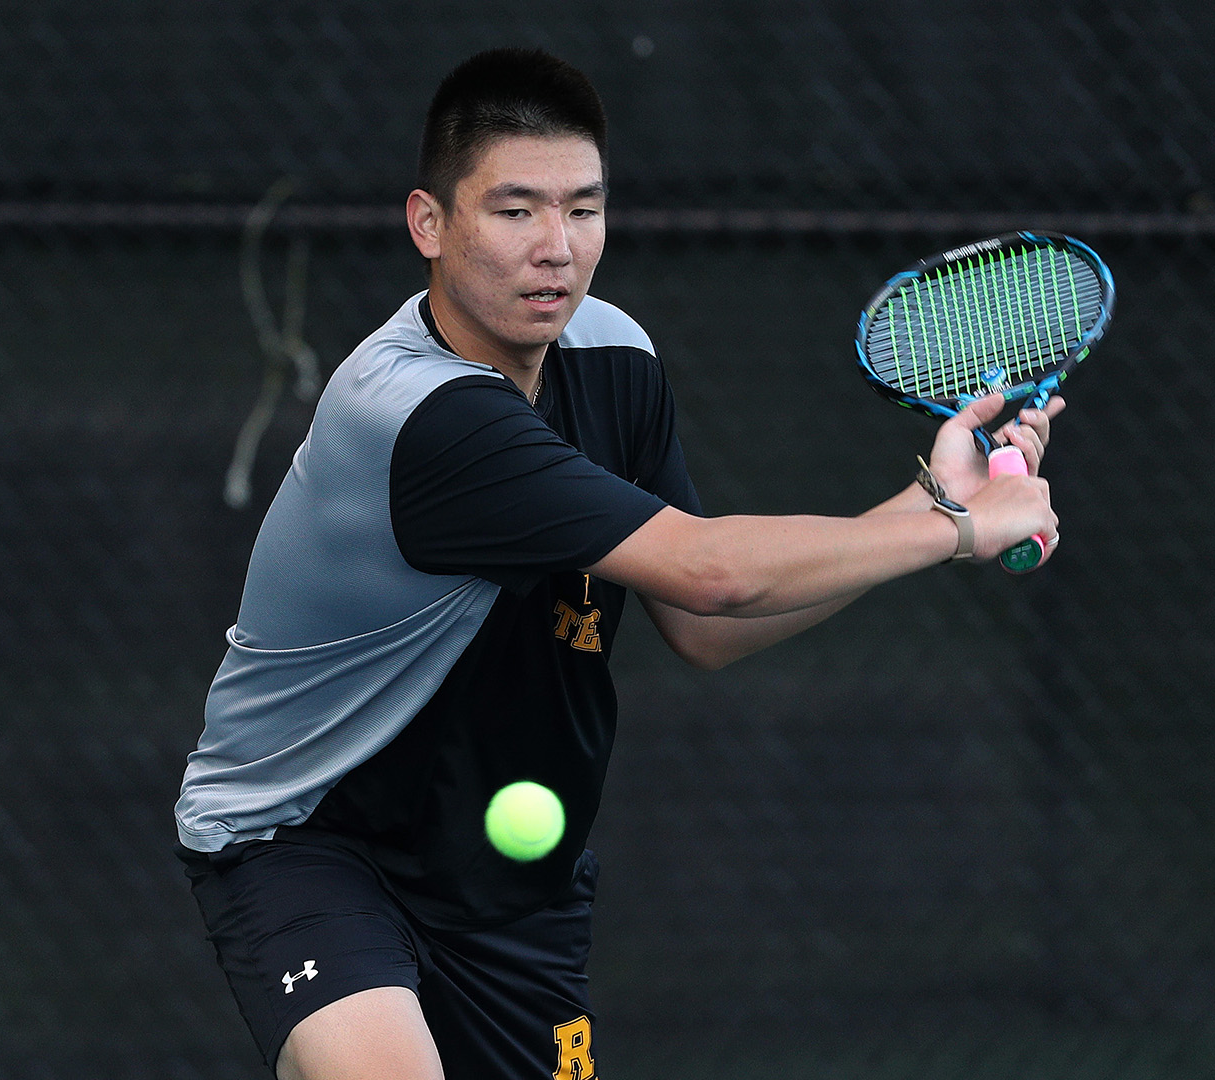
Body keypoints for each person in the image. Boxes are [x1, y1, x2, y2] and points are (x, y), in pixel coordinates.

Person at [175, 47, 1062, 1080]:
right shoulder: (420, 415)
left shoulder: (614, 357)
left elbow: (707, 629)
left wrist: (930, 507)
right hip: (310, 838)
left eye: (583, 209)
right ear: (430, 223)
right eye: (514, 211)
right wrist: (957, 525)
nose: (556, 248)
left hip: (509, 886)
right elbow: (711, 572)